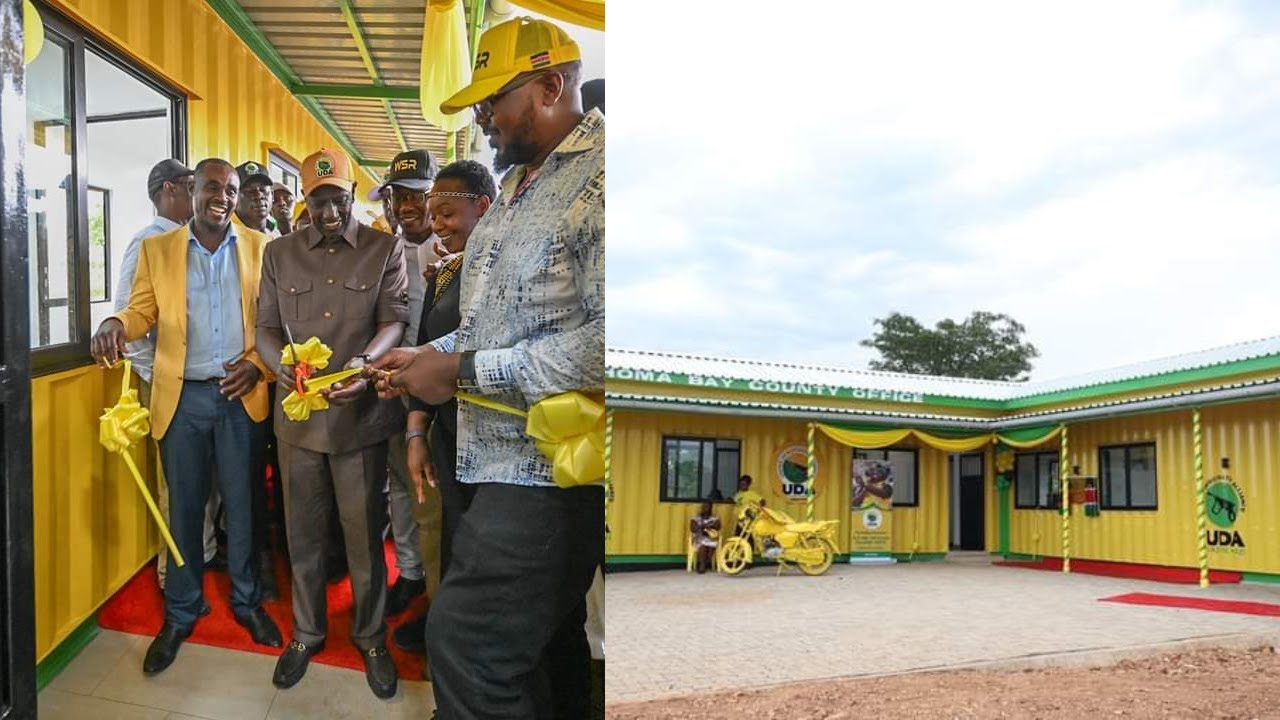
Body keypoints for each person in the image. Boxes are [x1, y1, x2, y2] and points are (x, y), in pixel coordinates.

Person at [371, 17, 604, 718]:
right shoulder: (517, 190)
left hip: (544, 473)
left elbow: (611, 343)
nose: (482, 119)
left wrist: (466, 371)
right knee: (542, 652)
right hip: (485, 460)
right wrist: (427, 357)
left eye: (492, 101)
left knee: (467, 645)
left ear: (551, 85)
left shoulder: (604, 181)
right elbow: (482, 328)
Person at [90, 158, 283, 675]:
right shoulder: (159, 249)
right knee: (184, 512)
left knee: (243, 508)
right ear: (192, 191)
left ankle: (247, 603)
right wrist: (114, 322)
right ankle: (180, 610)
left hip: (242, 396)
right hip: (183, 399)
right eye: (212, 187)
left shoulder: (263, 249)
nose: (222, 196)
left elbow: (276, 323)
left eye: (231, 189)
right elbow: (141, 313)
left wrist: (259, 365)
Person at [256, 148, 408, 699]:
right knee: (303, 534)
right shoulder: (278, 254)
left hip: (360, 416)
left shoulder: (383, 249)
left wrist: (365, 366)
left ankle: (370, 638)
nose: (327, 213)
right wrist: (283, 370)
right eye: (317, 202)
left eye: (337, 201)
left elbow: (394, 319)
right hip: (298, 422)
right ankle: (307, 632)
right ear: (304, 199)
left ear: (351, 197)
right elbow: (266, 329)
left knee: (365, 533)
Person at [392, 159, 494, 656]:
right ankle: (446, 634)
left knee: (483, 556)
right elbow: (425, 349)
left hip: (497, 439)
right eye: (434, 215)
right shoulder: (443, 275)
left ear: (484, 207)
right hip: (447, 433)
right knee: (447, 542)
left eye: (448, 214)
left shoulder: (503, 277)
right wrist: (416, 433)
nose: (437, 224)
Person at [115, 159, 219, 594]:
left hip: (207, 383)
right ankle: (172, 575)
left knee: (208, 479)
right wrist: (158, 374)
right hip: (168, 384)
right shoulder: (148, 242)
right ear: (173, 190)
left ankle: (206, 558)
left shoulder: (198, 241)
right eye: (195, 186)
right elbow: (129, 318)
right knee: (178, 484)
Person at [372, 149, 444, 626]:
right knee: (400, 483)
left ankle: (440, 596)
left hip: (441, 395)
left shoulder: (455, 247)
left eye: (416, 194)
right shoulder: (383, 251)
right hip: (391, 389)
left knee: (434, 496)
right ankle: (411, 574)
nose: (406, 206)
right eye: (398, 196)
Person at [232, 161, 276, 236]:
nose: (259, 196)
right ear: (234, 198)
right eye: (250, 191)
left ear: (272, 195)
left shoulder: (276, 234)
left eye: (263, 190)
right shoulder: (225, 236)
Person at [690, 502, 721, 573]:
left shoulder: (715, 518)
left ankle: (704, 563)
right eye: (704, 507)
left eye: (707, 507)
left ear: (711, 508)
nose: (705, 508)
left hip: (711, 539)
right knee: (703, 547)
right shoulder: (696, 518)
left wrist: (707, 526)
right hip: (700, 538)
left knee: (710, 547)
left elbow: (718, 526)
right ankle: (702, 565)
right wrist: (703, 527)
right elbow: (692, 528)